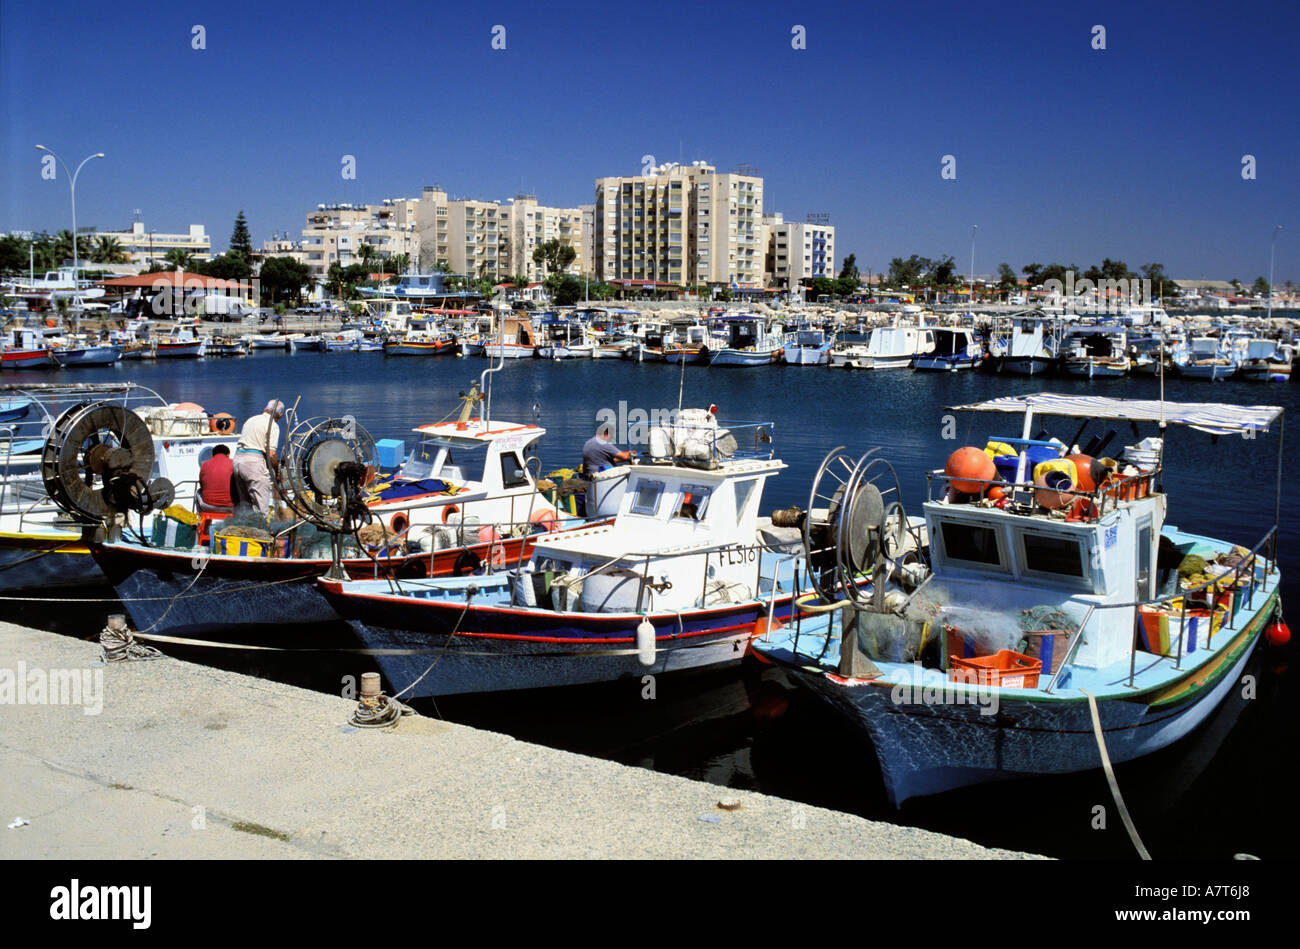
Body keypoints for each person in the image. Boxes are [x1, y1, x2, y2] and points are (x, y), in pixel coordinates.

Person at [232, 399, 285, 515]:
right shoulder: (273, 425)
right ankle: (261, 530)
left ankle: (245, 530)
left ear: (265, 409)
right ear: (280, 415)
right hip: (253, 463)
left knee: (245, 504)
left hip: (237, 461)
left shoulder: (251, 420)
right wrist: (277, 472)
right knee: (261, 507)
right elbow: (271, 454)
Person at [197, 444, 235, 512]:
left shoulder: (205, 465)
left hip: (208, 506)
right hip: (231, 506)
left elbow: (202, 484)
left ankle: (203, 521)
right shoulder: (233, 463)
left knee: (198, 491)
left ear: (212, 455)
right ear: (228, 454)